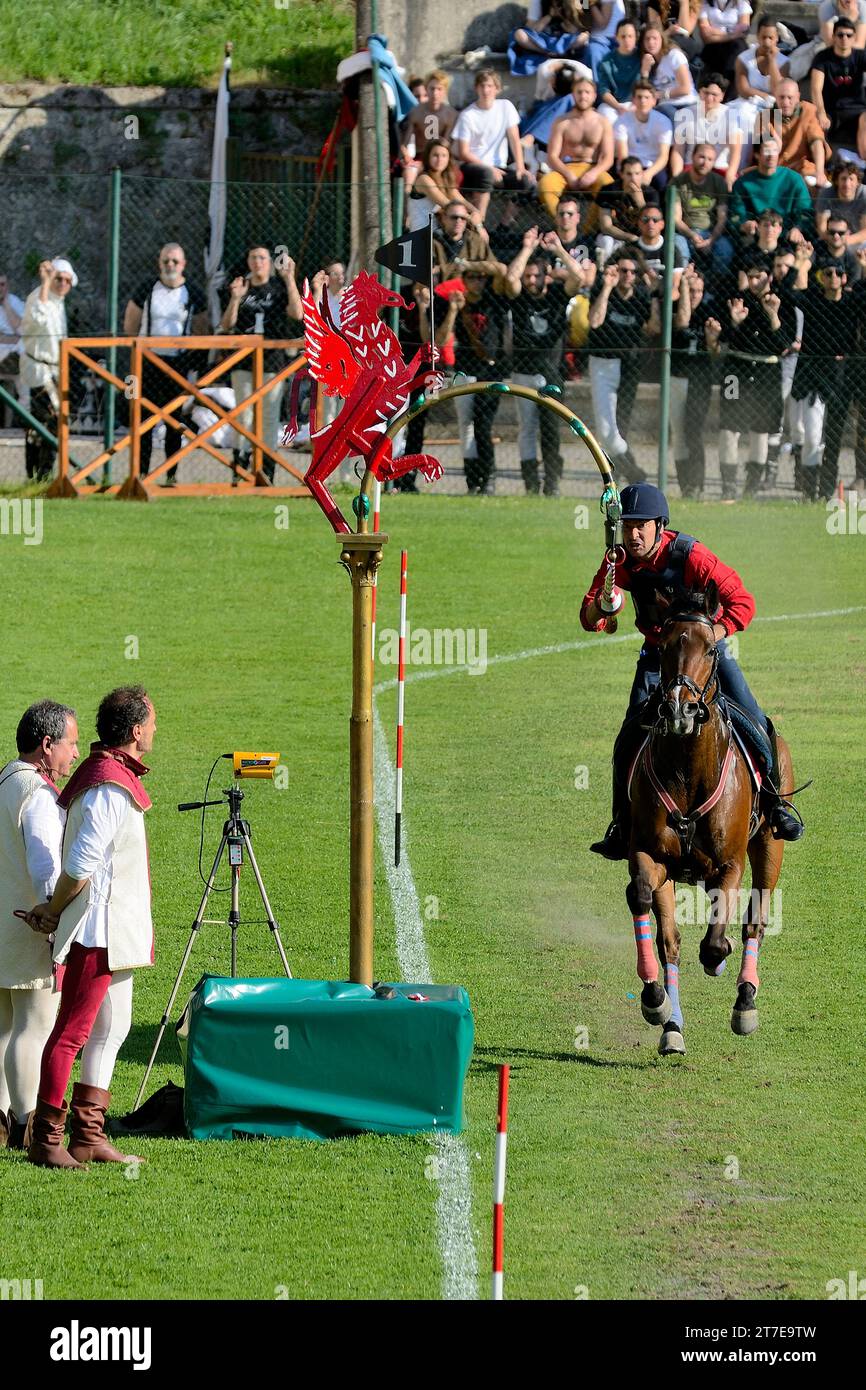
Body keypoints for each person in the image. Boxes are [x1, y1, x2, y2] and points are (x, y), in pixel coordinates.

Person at [581, 481, 805, 859]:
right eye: (628, 526)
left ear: (660, 525)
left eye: (642, 525)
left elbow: (742, 602)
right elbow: (590, 618)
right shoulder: (617, 562)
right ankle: (623, 824)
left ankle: (774, 805)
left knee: (752, 718)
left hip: (705, 654)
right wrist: (604, 606)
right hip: (657, 656)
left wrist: (711, 636)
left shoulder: (693, 556)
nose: (633, 534)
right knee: (628, 738)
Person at [27, 687, 157, 1169]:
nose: (155, 730)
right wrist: (56, 908)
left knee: (113, 1028)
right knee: (72, 1033)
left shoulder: (109, 775)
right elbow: (82, 861)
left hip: (114, 930)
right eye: (152, 722)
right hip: (97, 930)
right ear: (137, 730)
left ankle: (88, 1136)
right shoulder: (108, 784)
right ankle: (46, 1140)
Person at [0, 702, 78, 1151]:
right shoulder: (39, 796)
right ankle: (27, 1126)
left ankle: (1, 1117)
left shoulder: (4, 779)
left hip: (0, 923)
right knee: (34, 1026)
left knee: (4, 1027)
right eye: (69, 744)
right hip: (28, 926)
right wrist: (54, 914)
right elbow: (46, 868)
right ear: (46, 745)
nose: (72, 755)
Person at [504, 225, 588, 493]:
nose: (530, 280)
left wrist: (559, 250)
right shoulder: (518, 298)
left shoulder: (556, 296)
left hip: (551, 373)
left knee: (551, 430)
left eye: (535, 276)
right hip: (523, 372)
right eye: (527, 276)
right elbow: (510, 279)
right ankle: (530, 483)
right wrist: (527, 248)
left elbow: (580, 278)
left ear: (546, 277)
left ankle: (551, 482)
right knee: (527, 429)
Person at [704, 265, 795, 497]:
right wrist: (735, 323)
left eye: (759, 276)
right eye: (750, 276)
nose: (754, 281)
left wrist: (773, 314)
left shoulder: (782, 302)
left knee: (761, 431)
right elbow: (723, 342)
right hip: (737, 371)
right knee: (729, 428)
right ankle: (728, 488)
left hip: (767, 372)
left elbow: (784, 346)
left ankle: (751, 488)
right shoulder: (736, 302)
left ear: (770, 277)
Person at [218, 245, 303, 484]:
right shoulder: (240, 287)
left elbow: (297, 314)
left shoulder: (278, 289)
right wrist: (235, 299)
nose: (258, 262)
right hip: (243, 361)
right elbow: (227, 325)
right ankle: (240, 469)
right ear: (248, 261)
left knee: (268, 417)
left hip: (271, 362)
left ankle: (265, 470)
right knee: (243, 415)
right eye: (253, 257)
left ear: (270, 262)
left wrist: (290, 280)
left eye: (263, 258)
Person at [123, 244, 208, 483]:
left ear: (183, 264)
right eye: (166, 261)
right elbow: (130, 323)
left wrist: (194, 362)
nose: (170, 266)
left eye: (175, 261)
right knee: (144, 420)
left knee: (174, 421)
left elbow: (202, 328)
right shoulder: (148, 288)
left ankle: (170, 475)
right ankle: (140, 474)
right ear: (159, 263)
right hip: (148, 363)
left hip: (177, 364)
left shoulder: (193, 292)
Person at [790, 238, 862, 498]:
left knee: (833, 437)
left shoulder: (852, 302)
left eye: (838, 273)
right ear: (821, 277)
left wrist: (863, 269)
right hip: (813, 378)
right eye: (828, 273)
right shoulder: (813, 300)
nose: (833, 277)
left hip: (841, 378)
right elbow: (788, 291)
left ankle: (826, 491)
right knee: (812, 437)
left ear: (844, 278)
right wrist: (801, 264)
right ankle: (809, 491)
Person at [433, 264, 510, 494]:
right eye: (472, 277)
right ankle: (472, 479)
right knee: (465, 425)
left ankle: (489, 477)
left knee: (484, 426)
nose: (478, 281)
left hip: (490, 371)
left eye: (481, 278)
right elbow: (441, 339)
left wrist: (469, 263)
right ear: (463, 280)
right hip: (464, 370)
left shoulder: (494, 300)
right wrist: (454, 310)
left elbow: (502, 271)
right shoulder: (457, 304)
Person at [587, 253, 660, 480]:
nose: (628, 276)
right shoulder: (602, 291)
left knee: (622, 425)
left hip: (629, 366)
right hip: (603, 363)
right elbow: (594, 321)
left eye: (633, 272)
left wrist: (654, 295)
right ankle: (635, 474)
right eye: (623, 270)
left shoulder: (641, 297)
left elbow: (654, 328)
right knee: (606, 431)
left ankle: (616, 475)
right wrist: (607, 288)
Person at [451, 69, 536, 221]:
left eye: (490, 86)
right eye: (482, 86)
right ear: (476, 88)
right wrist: (489, 168)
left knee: (525, 182)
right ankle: (479, 223)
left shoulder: (506, 107)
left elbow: (514, 139)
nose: (486, 90)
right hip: (472, 165)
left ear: (497, 89)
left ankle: (504, 227)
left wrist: (520, 167)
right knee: (486, 174)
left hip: (500, 167)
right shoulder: (467, 115)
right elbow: (463, 152)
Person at [20, 258, 76, 482]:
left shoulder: (59, 301)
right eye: (58, 279)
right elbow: (38, 319)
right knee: (52, 420)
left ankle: (40, 474)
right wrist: (45, 282)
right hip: (38, 368)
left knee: (41, 424)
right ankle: (41, 474)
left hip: (55, 369)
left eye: (66, 280)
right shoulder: (38, 296)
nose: (62, 283)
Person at [537, 76, 616, 217]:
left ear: (594, 96)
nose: (583, 96)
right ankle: (563, 225)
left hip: (593, 168)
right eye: (579, 92)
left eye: (587, 92)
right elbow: (552, 156)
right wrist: (568, 175)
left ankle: (588, 232)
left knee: (609, 187)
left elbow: (608, 158)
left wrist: (593, 173)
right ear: (573, 95)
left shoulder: (603, 122)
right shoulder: (562, 122)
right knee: (545, 185)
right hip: (565, 169)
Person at [669, 264, 716, 496]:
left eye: (698, 290)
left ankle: (697, 483)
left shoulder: (710, 310)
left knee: (694, 431)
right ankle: (684, 485)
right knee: (678, 433)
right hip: (677, 377)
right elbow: (683, 322)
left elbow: (716, 353)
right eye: (691, 290)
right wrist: (684, 287)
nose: (695, 295)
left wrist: (711, 339)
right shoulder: (675, 306)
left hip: (700, 380)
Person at [728, 138, 813, 242]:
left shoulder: (794, 179)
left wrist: (798, 228)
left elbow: (805, 211)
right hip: (755, 237)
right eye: (767, 151)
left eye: (774, 151)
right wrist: (743, 224)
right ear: (756, 155)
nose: (771, 155)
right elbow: (735, 216)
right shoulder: (742, 183)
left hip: (787, 237)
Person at [671, 73, 745, 190]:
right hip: (692, 166)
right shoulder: (683, 114)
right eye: (706, 93)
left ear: (722, 96)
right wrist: (677, 176)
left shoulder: (731, 115)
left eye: (714, 94)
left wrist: (730, 175)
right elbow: (678, 150)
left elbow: (736, 151)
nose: (709, 98)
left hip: (720, 166)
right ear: (699, 92)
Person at [810, 18, 866, 160]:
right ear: (834, 37)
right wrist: (821, 112)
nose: (844, 39)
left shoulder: (861, 56)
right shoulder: (822, 58)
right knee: (813, 124)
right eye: (840, 35)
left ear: (854, 38)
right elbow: (816, 89)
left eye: (849, 35)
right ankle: (824, 167)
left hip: (857, 110)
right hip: (831, 111)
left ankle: (863, 164)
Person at [673, 142, 734, 271]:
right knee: (678, 246)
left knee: (725, 249)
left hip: (711, 234)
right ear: (693, 156)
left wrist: (711, 240)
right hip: (685, 233)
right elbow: (676, 219)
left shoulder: (719, 182)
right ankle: (681, 282)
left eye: (710, 159)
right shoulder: (678, 182)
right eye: (701, 157)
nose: (705, 162)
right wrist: (692, 235)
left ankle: (716, 286)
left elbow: (722, 218)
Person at [596, 155, 663, 263]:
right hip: (614, 236)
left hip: (642, 236)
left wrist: (640, 202)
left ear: (642, 174)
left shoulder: (651, 194)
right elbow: (606, 226)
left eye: (637, 174)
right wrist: (629, 237)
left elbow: (653, 223)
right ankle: (605, 274)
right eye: (629, 174)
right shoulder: (609, 190)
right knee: (607, 242)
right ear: (621, 174)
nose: (633, 178)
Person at [408, 140, 483, 233]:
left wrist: (476, 214)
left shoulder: (445, 180)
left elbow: (463, 202)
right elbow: (448, 206)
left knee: (475, 235)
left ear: (449, 158)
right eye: (435, 155)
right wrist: (472, 220)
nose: (440, 159)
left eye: (444, 155)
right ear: (428, 157)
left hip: (440, 234)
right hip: (423, 236)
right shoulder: (424, 179)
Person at [401, 70, 458, 190]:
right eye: (432, 89)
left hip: (441, 158)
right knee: (409, 173)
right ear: (426, 89)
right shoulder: (415, 112)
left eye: (439, 89)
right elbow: (404, 144)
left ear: (445, 91)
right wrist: (408, 159)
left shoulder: (451, 114)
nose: (435, 93)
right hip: (420, 156)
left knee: (455, 176)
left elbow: (446, 145)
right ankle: (405, 208)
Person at [769, 78, 831, 188]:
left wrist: (820, 172)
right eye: (781, 97)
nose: (785, 102)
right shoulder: (766, 116)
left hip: (803, 167)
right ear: (775, 96)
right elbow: (764, 152)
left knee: (812, 181)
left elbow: (817, 143)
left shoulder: (809, 110)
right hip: (776, 169)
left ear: (798, 97)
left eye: (790, 97)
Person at [614, 81, 674, 191]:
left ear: (654, 101)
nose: (643, 101)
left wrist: (648, 174)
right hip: (629, 166)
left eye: (647, 97)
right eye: (639, 97)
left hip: (653, 166)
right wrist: (634, 175)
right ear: (633, 100)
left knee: (662, 185)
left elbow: (663, 156)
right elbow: (623, 155)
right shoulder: (621, 121)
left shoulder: (663, 122)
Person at [638, 17, 697, 120]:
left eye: (655, 38)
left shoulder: (674, 55)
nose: (651, 42)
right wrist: (644, 72)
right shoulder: (648, 62)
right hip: (665, 106)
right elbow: (645, 94)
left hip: (687, 102)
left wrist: (660, 94)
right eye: (647, 39)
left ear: (662, 39)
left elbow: (685, 88)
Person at [432, 202, 502, 282]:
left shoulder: (475, 240)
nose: (458, 221)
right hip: (441, 288)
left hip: (468, 290)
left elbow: (496, 267)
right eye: (454, 217)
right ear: (444, 218)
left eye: (463, 218)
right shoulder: (433, 241)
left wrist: (468, 265)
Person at [597, 18, 641, 122]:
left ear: (636, 37)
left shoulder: (642, 57)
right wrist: (618, 106)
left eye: (630, 36)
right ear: (616, 38)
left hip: (637, 102)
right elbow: (604, 90)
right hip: (613, 105)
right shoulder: (607, 60)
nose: (627, 40)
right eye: (623, 36)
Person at [697, 0, 752, 80]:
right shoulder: (704, 4)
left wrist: (715, 31)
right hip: (713, 46)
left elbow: (743, 30)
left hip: (735, 46)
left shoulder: (741, 3)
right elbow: (705, 36)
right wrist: (733, 33)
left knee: (737, 48)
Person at [816, 161, 866, 244]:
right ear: (836, 181)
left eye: (851, 179)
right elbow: (822, 228)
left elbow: (865, 232)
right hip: (832, 239)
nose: (847, 184)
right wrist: (835, 243)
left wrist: (844, 242)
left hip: (859, 240)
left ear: (858, 182)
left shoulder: (864, 195)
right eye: (843, 179)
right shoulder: (826, 194)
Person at [0, 273, 24, 414]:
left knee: (23, 381)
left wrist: (7, 305)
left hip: (16, 354)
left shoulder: (14, 301)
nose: (0, 288)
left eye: (2, 284)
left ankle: (24, 421)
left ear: (7, 286)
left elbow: (21, 330)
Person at [815, 214, 862, 282]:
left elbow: (851, 288)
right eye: (832, 232)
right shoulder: (815, 251)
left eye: (841, 233)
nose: (836, 236)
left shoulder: (853, 259)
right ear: (826, 232)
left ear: (848, 233)